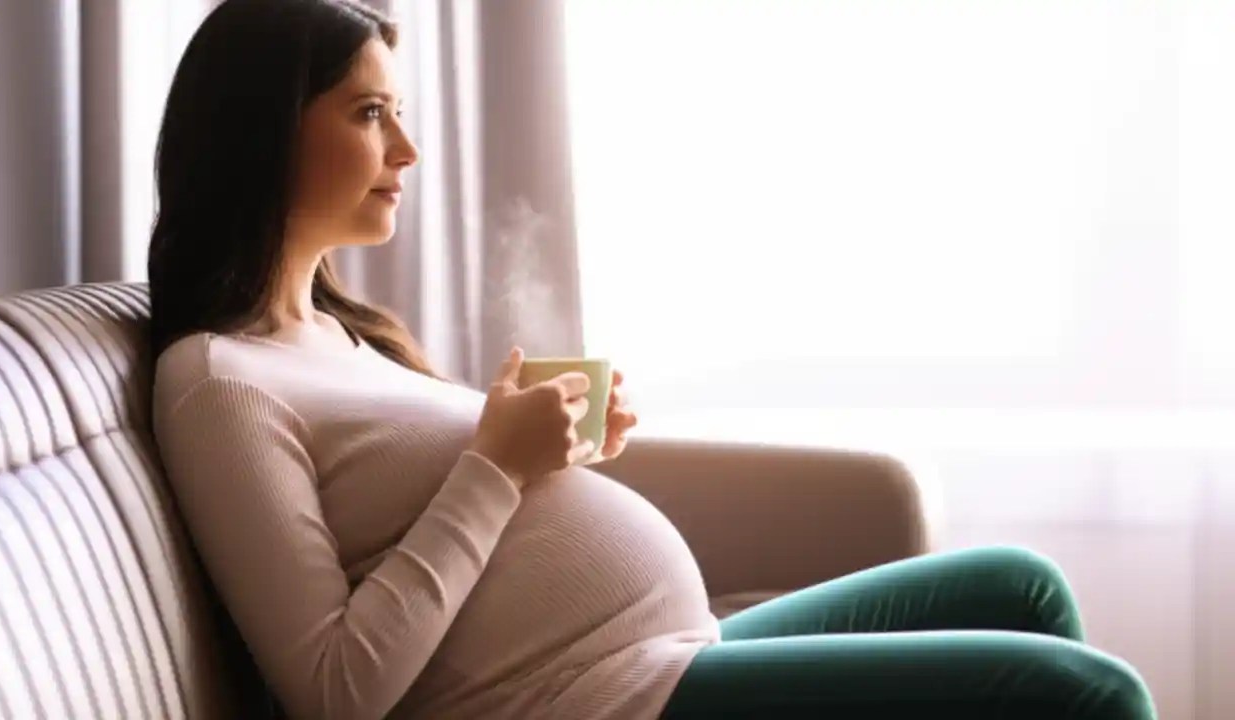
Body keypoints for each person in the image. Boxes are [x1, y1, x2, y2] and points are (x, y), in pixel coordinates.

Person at [148, 1, 1158, 718]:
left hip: (657, 655)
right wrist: (495, 464)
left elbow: (443, 521)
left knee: (1017, 585)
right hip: (591, 699)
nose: (406, 149)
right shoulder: (218, 383)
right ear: (261, 133)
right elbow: (334, 689)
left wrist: (551, 450)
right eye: (370, 114)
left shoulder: (334, 332)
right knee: (1088, 699)